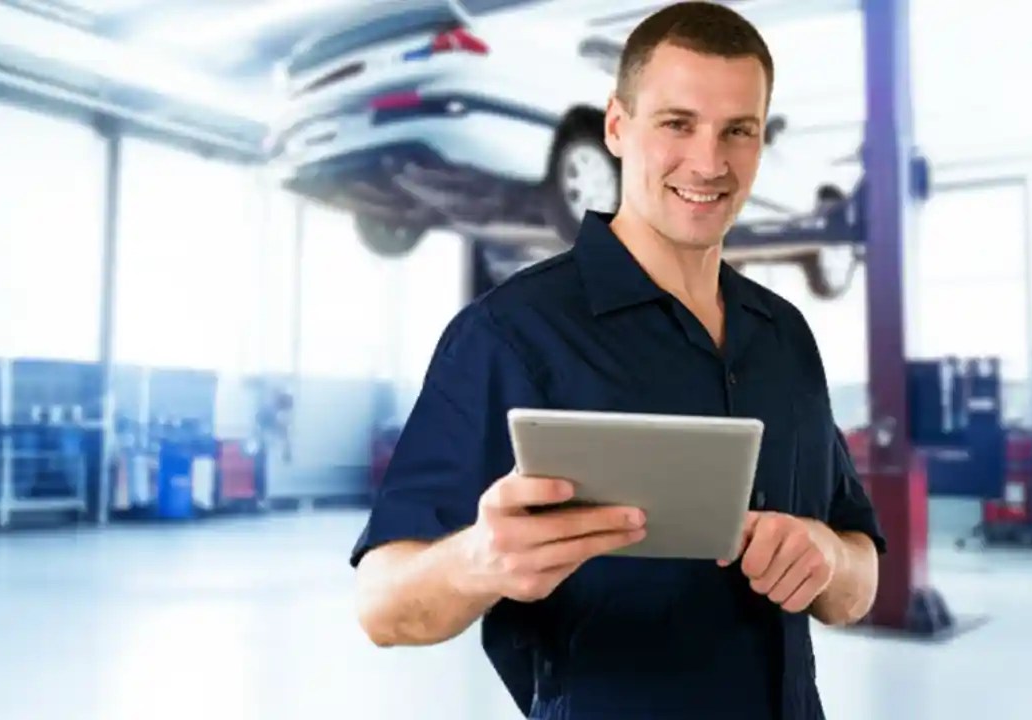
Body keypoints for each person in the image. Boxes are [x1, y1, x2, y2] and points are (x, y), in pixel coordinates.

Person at [350, 2, 887, 718]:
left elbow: (859, 578)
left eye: (739, 131)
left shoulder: (785, 335)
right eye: (677, 124)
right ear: (616, 127)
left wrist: (828, 556)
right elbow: (382, 605)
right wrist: (482, 558)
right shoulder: (512, 333)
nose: (709, 161)